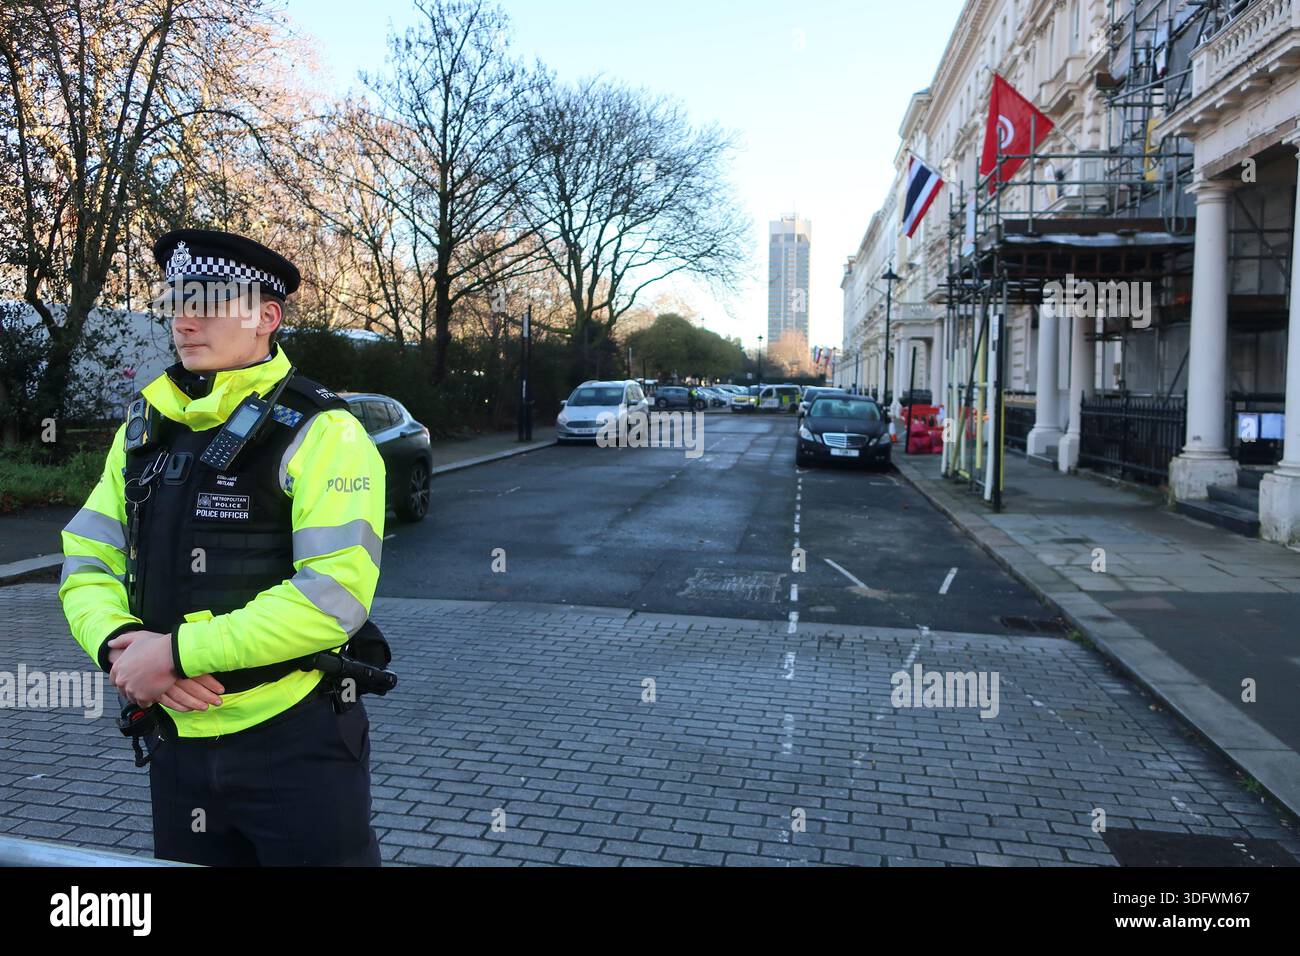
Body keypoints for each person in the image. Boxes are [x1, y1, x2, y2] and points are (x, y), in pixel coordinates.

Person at [58, 229, 388, 866]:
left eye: (208, 301)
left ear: (267, 316)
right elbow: (88, 556)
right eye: (175, 299)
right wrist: (119, 644)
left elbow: (333, 596)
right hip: (175, 740)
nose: (183, 318)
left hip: (295, 742)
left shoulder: (326, 432)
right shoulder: (141, 430)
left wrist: (177, 655)